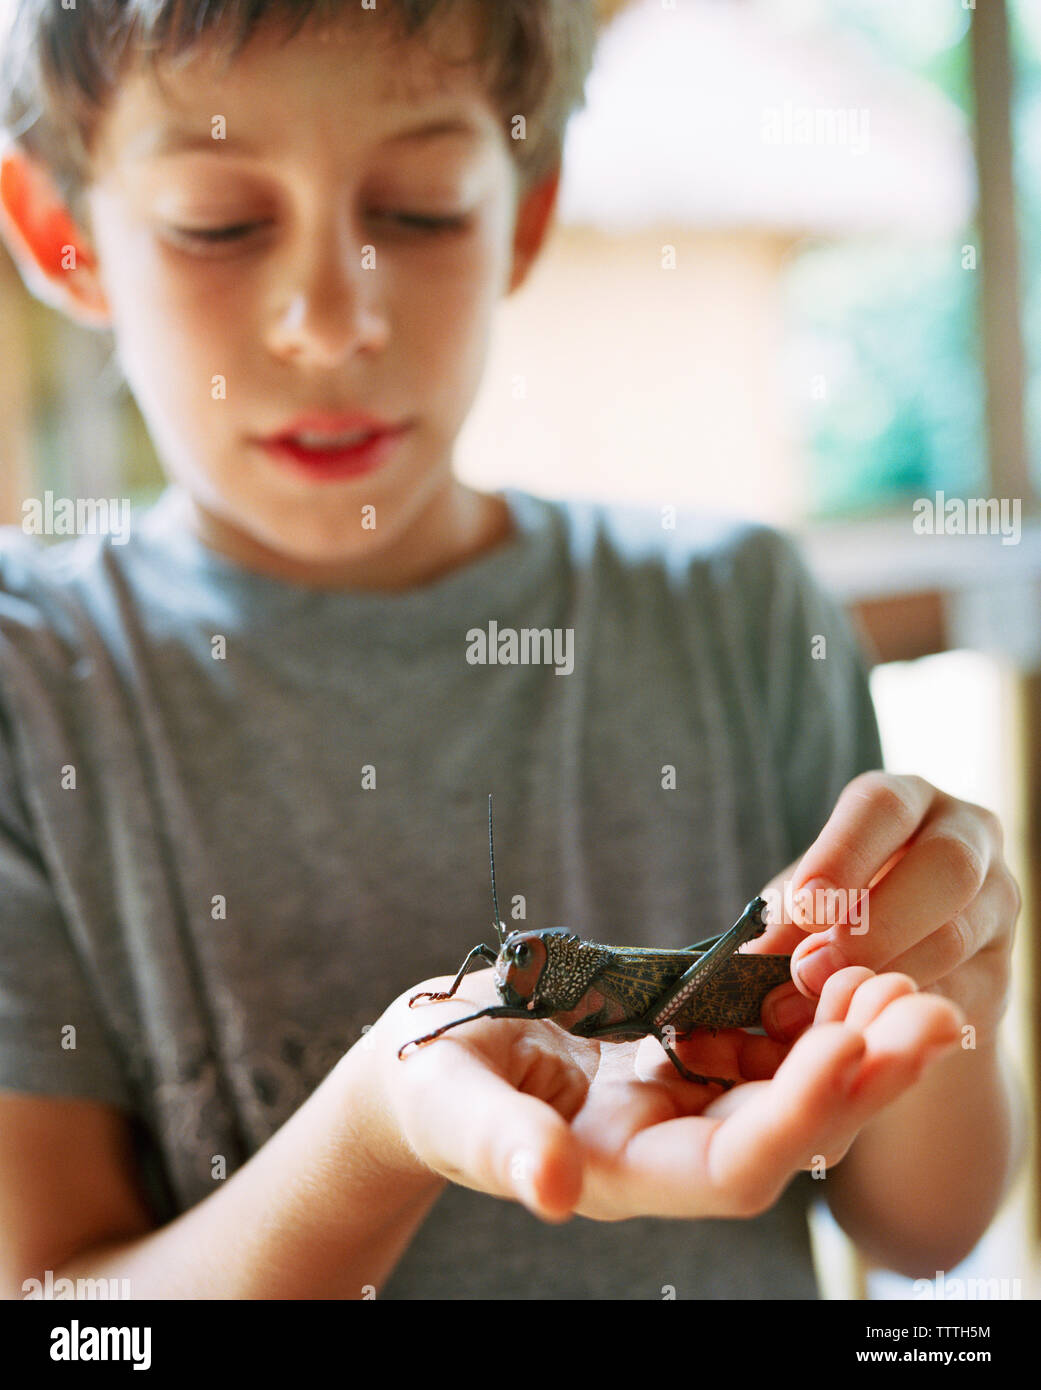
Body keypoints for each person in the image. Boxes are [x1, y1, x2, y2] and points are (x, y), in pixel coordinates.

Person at [0, 0, 1021, 1300]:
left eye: (421, 207)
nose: (330, 319)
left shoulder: (737, 616)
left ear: (524, 216)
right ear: (61, 233)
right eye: (218, 222)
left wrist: (945, 986)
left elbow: (927, 1229)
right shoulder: (31, 687)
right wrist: (374, 1135)